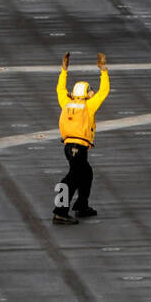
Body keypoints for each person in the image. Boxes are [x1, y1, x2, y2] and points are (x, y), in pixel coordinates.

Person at [53, 52, 109, 224]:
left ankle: (82, 205)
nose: (92, 92)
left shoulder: (66, 103)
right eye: (90, 90)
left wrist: (64, 70)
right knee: (72, 178)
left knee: (86, 173)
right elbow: (104, 91)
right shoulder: (88, 106)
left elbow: (60, 90)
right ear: (85, 94)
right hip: (79, 147)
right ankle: (60, 212)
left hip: (69, 147)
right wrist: (104, 70)